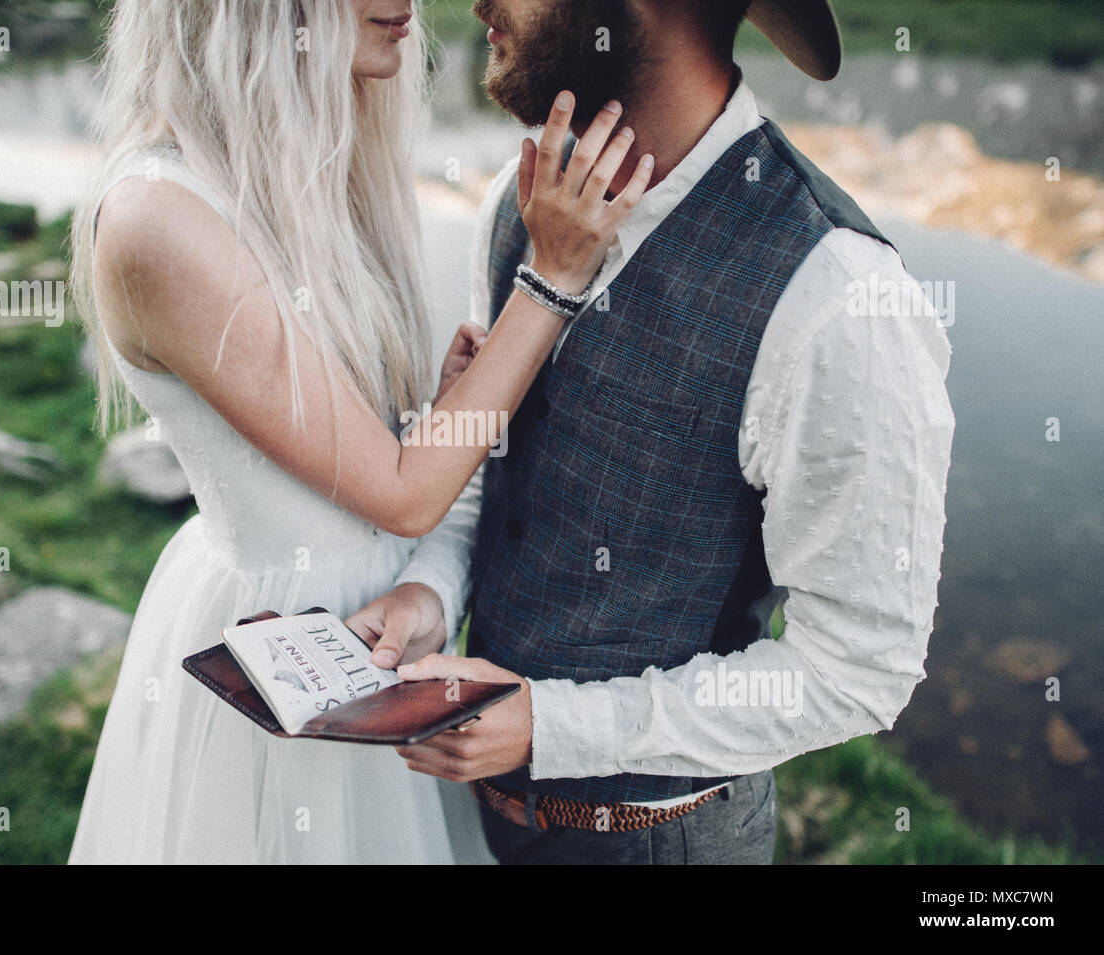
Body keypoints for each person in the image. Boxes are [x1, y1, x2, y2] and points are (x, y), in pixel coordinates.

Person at [360, 0, 956, 865]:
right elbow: (496, 468)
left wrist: (551, 727)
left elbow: (859, 672)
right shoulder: (516, 200)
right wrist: (432, 596)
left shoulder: (839, 298)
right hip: (476, 818)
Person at [65, 0, 652, 864]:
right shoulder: (161, 217)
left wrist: (438, 422)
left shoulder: (313, 170)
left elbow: (388, 468)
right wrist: (553, 273)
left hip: (369, 659)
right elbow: (408, 489)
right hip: (273, 668)